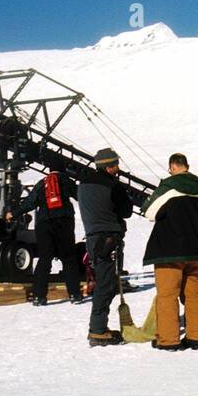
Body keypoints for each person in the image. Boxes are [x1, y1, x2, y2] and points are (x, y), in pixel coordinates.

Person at [142, 153, 198, 351]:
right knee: (194, 295)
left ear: (172, 167)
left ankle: (169, 340)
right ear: (187, 166)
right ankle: (196, 337)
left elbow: (149, 211)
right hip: (194, 250)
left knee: (167, 295)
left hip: (168, 250)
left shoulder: (168, 187)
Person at [79, 148, 133, 346]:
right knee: (106, 285)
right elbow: (127, 211)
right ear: (109, 167)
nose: (118, 168)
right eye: (116, 164)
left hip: (92, 238)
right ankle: (98, 329)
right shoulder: (113, 186)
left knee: (103, 281)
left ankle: (99, 327)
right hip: (109, 239)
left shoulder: (83, 183)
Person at [13, 170, 79, 306]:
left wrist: (14, 214)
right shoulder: (66, 181)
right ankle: (74, 294)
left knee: (44, 259)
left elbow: (29, 203)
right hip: (64, 221)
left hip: (44, 223)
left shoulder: (42, 183)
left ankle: (39, 296)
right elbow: (82, 196)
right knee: (68, 258)